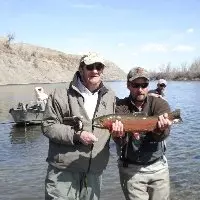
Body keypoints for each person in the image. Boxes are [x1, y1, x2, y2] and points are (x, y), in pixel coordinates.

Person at [41, 52, 116, 200]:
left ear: (102, 70)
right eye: (90, 66)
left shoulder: (110, 96)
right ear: (81, 69)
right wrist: (77, 135)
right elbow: (48, 126)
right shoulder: (59, 94)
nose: (95, 70)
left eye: (99, 66)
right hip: (63, 171)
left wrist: (149, 98)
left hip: (95, 171)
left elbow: (125, 114)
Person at [111, 67, 172, 200]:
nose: (140, 89)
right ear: (128, 85)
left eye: (144, 85)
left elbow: (164, 135)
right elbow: (120, 142)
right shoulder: (120, 107)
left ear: (148, 85)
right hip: (131, 169)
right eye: (135, 85)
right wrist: (118, 136)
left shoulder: (160, 104)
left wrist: (160, 129)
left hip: (158, 167)